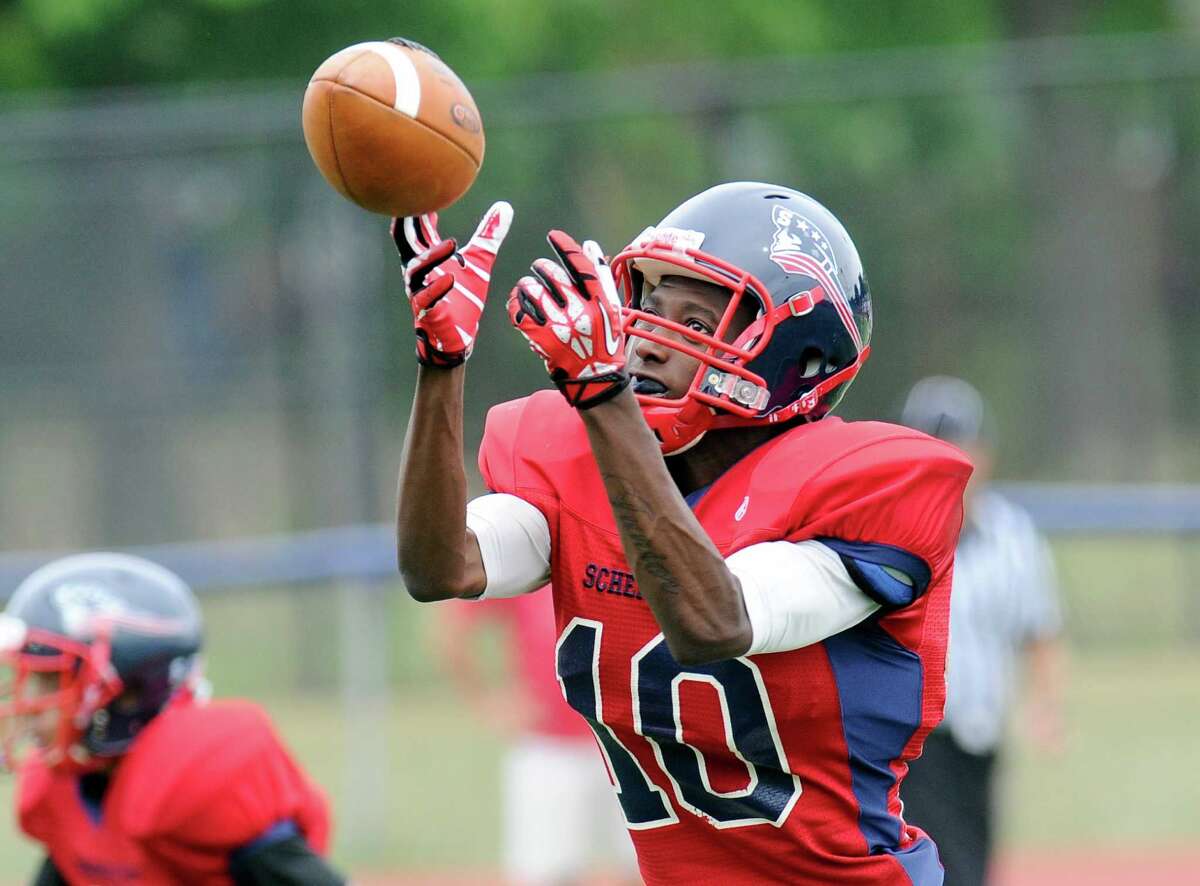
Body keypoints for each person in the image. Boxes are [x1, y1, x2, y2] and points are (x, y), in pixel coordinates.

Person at [393, 183, 973, 884]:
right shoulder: (583, 459)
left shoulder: (862, 488)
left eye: (699, 319)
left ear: (797, 355)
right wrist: (440, 367)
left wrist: (604, 399)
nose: (648, 342)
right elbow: (440, 565)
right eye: (649, 309)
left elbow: (713, 619)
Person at [0, 552, 345, 886]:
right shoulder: (61, 789)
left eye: (50, 681)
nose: (29, 703)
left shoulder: (200, 784)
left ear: (128, 692)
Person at [897, 376, 1066, 886]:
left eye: (958, 446)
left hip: (978, 737)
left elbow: (1040, 632)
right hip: (905, 744)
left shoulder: (1013, 537)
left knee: (971, 864)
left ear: (983, 455)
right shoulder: (887, 532)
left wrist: (1045, 707)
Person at [434, 594, 640, 886]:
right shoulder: (533, 558)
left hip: (628, 742)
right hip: (549, 748)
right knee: (546, 872)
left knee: (646, 868)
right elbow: (454, 625)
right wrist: (486, 704)